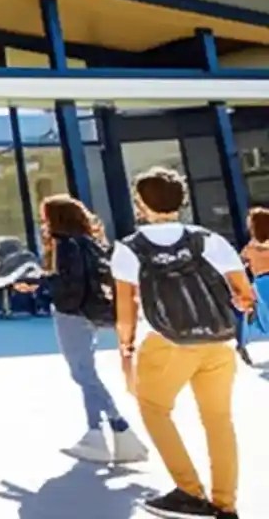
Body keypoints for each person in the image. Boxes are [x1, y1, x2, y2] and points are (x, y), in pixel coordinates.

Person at [113, 167, 255, 519]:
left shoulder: (129, 249)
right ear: (182, 200)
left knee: (154, 409)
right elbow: (245, 295)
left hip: (165, 342)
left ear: (141, 204)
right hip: (218, 342)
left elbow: (126, 311)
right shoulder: (209, 239)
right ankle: (226, 504)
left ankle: (189, 491)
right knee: (219, 420)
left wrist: (126, 350)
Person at [13, 195, 148, 463]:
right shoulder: (90, 242)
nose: (43, 222)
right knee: (86, 373)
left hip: (71, 313)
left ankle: (116, 427)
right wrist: (43, 281)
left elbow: (69, 283)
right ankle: (98, 433)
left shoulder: (65, 245)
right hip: (91, 312)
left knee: (83, 374)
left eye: (45, 217)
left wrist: (43, 287)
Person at [236, 207, 269, 367]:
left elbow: (239, 263)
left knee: (255, 315)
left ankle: (242, 343)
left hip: (261, 284)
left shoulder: (250, 248)